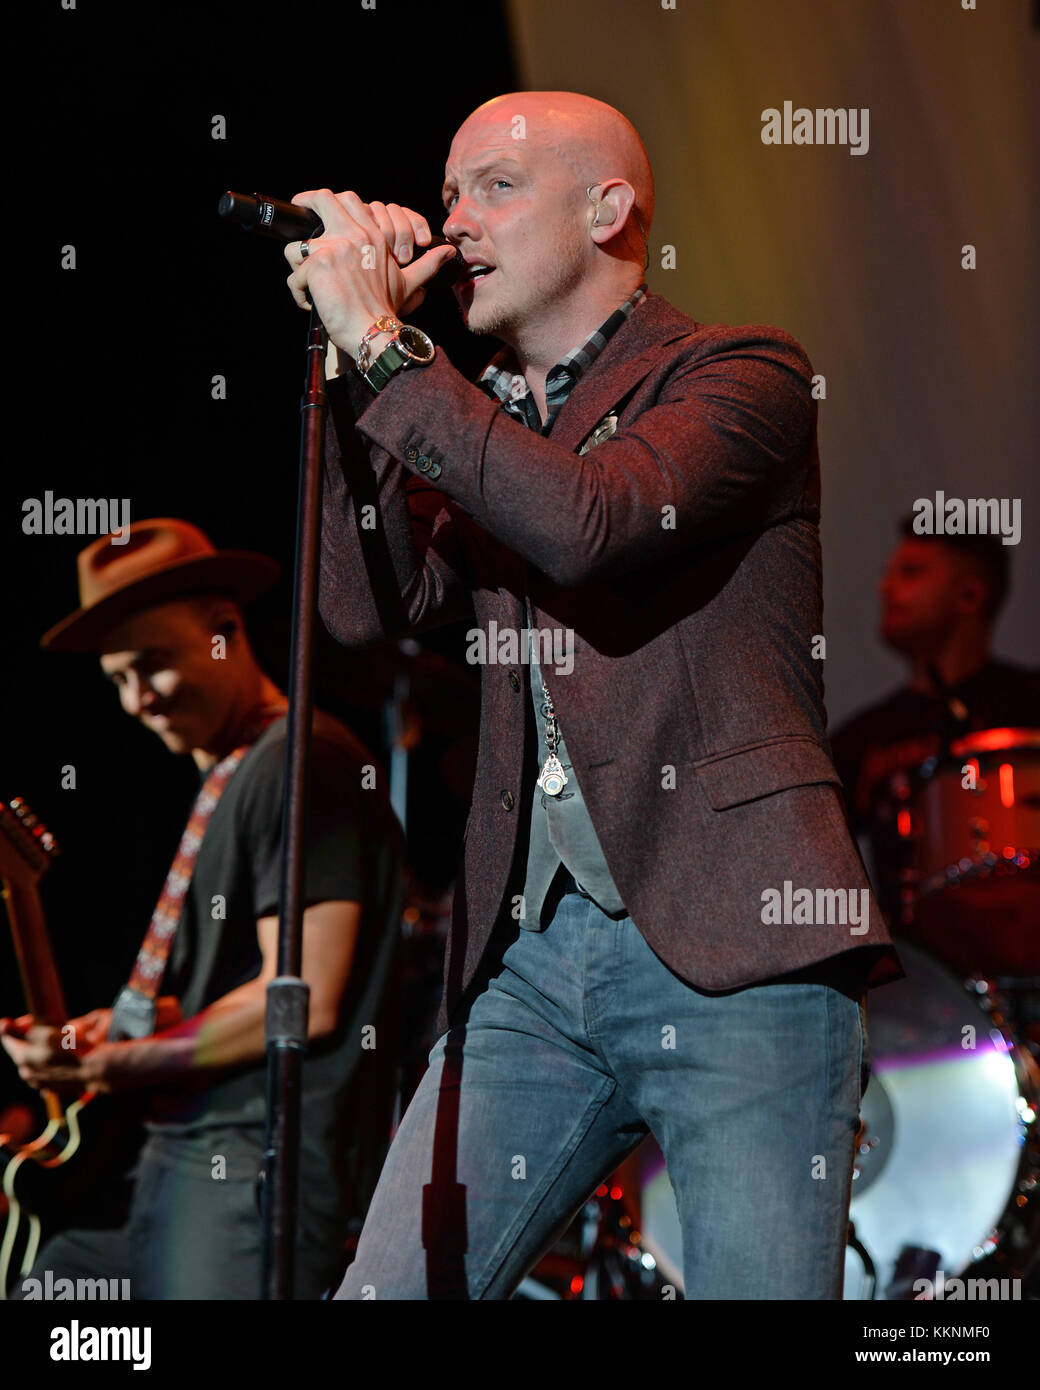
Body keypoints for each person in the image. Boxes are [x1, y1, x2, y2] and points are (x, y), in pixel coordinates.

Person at [283, 89, 901, 1300]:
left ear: (609, 210)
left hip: (741, 944)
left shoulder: (739, 372)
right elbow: (369, 611)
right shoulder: (483, 419)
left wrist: (391, 356)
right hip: (531, 961)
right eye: (450, 189)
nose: (455, 220)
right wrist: (349, 369)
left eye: (494, 188)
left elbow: (591, 521)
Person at [0, 519, 405, 1299]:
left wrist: (114, 1061)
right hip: (175, 1167)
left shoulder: (303, 763)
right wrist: (113, 1030)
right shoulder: (233, 775)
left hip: (249, 1177)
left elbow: (305, 999)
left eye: (151, 666)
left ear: (224, 633)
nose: (135, 700)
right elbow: (231, 990)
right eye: (117, 679)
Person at [830, 520, 1039, 927]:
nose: (886, 588)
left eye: (910, 572)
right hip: (913, 975)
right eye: (888, 574)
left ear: (969, 594)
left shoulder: (1029, 702)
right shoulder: (860, 740)